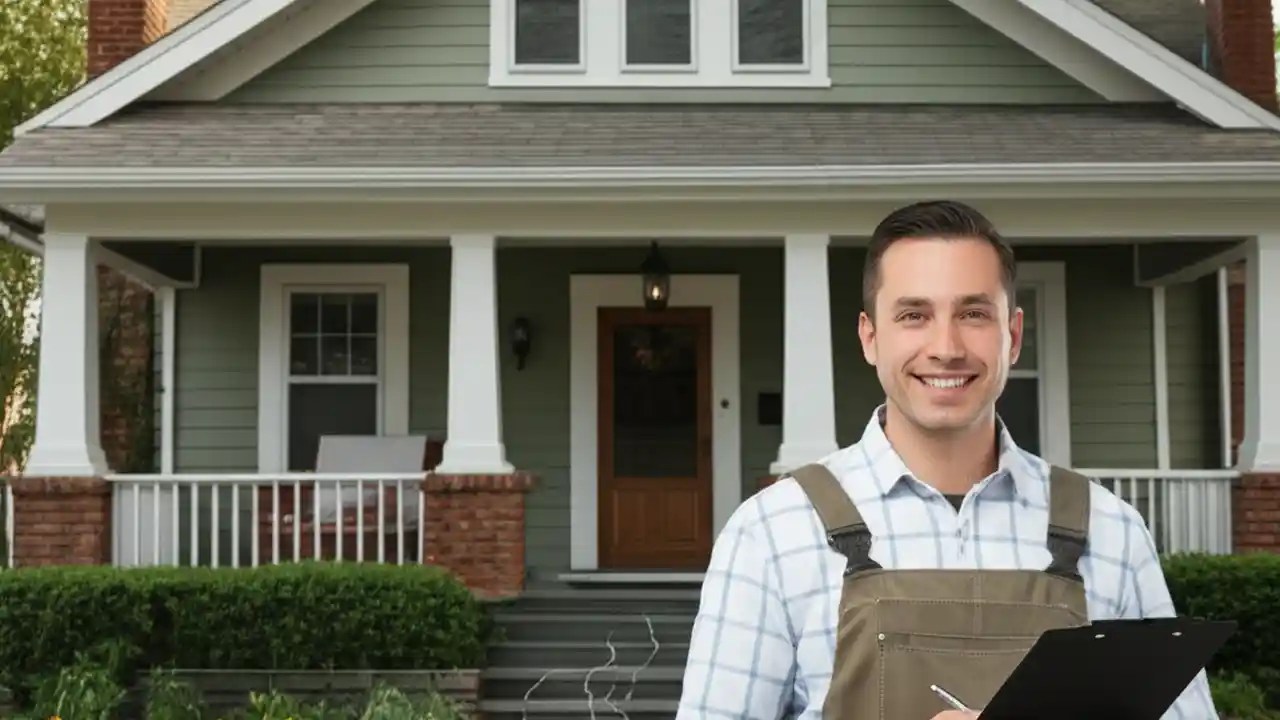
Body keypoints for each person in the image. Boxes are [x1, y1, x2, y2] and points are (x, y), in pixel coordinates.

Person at [675, 200, 1219, 719]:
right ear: (870, 337)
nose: (946, 346)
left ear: (1013, 336)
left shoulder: (1111, 531)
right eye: (914, 314)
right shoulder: (773, 532)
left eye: (974, 313)